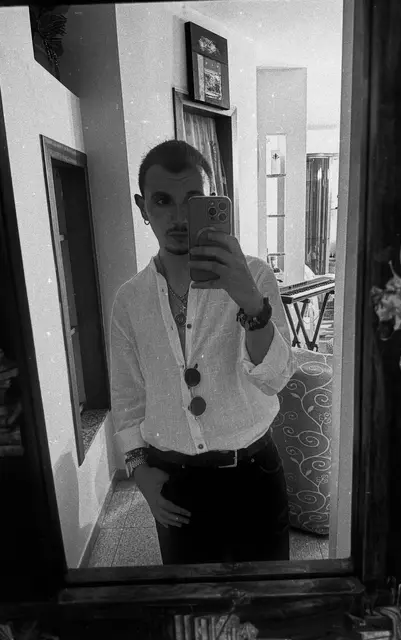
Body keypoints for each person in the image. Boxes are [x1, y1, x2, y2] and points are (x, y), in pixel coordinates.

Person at [110, 139, 296, 565]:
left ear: (213, 202)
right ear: (142, 207)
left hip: (253, 475)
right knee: (191, 600)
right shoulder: (130, 300)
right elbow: (128, 396)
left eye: (192, 200)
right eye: (162, 201)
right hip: (175, 482)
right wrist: (139, 471)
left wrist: (251, 303)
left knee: (267, 598)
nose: (178, 217)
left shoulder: (254, 276)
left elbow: (276, 378)